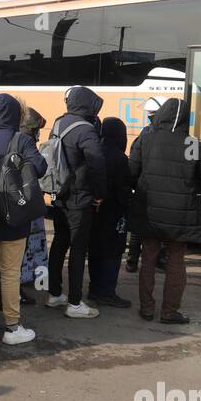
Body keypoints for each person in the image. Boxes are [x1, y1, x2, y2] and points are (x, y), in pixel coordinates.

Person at [0, 93, 47, 345]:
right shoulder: (21, 139)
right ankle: (12, 328)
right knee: (10, 273)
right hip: (14, 219)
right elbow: (40, 168)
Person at [129, 98, 201, 324]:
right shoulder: (191, 144)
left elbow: (131, 173)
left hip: (150, 212)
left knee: (148, 259)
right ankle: (169, 312)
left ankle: (147, 308)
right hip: (181, 214)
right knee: (176, 262)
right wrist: (193, 197)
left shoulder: (145, 140)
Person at [45, 86, 108, 318]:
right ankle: (74, 303)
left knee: (60, 243)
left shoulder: (59, 122)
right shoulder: (86, 130)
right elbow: (97, 163)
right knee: (78, 249)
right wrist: (100, 193)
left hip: (58, 193)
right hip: (79, 197)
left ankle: (54, 294)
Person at [87, 116, 133, 308]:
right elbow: (124, 190)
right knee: (113, 253)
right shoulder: (120, 159)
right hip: (113, 213)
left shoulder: (94, 152)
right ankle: (107, 292)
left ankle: (94, 289)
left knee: (95, 250)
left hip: (94, 211)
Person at [125, 96, 165, 274]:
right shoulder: (173, 135)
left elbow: (134, 162)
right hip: (157, 189)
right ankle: (155, 259)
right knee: (157, 228)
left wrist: (134, 184)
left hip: (144, 187)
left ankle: (132, 261)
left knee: (138, 228)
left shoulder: (145, 133)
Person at [18, 107, 49, 298]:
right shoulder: (26, 141)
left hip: (15, 201)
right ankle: (38, 282)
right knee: (34, 244)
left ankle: (27, 281)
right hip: (29, 200)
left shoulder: (10, 138)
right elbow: (40, 167)